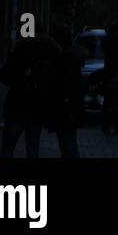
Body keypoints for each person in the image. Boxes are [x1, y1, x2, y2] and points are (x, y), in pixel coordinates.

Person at [0, 33, 59, 159]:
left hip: (17, 107)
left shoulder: (19, 54)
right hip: (35, 110)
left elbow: (4, 77)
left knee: (8, 146)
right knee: (32, 147)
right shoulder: (47, 58)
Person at [44, 26, 84, 158]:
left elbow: (70, 87)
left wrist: (70, 109)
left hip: (65, 108)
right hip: (65, 108)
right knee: (67, 144)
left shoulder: (66, 60)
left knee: (68, 145)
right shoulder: (68, 59)